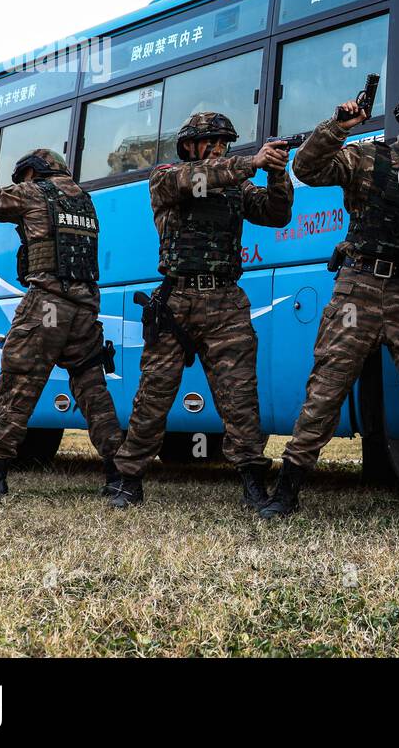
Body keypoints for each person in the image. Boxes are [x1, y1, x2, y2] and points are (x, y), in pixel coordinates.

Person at [261, 82, 399, 522]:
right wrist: (337, 128)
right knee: (326, 392)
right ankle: (286, 491)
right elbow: (309, 168)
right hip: (358, 289)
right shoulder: (367, 157)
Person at [108, 112, 292, 509]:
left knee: (240, 397)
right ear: (190, 145)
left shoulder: (235, 188)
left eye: (226, 143)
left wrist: (277, 172)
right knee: (153, 396)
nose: (221, 149)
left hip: (225, 301)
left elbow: (277, 215)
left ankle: (253, 485)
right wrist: (251, 162)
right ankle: (128, 479)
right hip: (176, 302)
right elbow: (197, 179)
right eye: (214, 142)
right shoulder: (167, 177)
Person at [0, 148, 122, 498]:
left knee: (17, 386)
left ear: (34, 172)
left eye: (23, 176)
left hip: (48, 306)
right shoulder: (83, 201)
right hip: (84, 308)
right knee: (93, 391)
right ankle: (120, 475)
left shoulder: (33, 191)